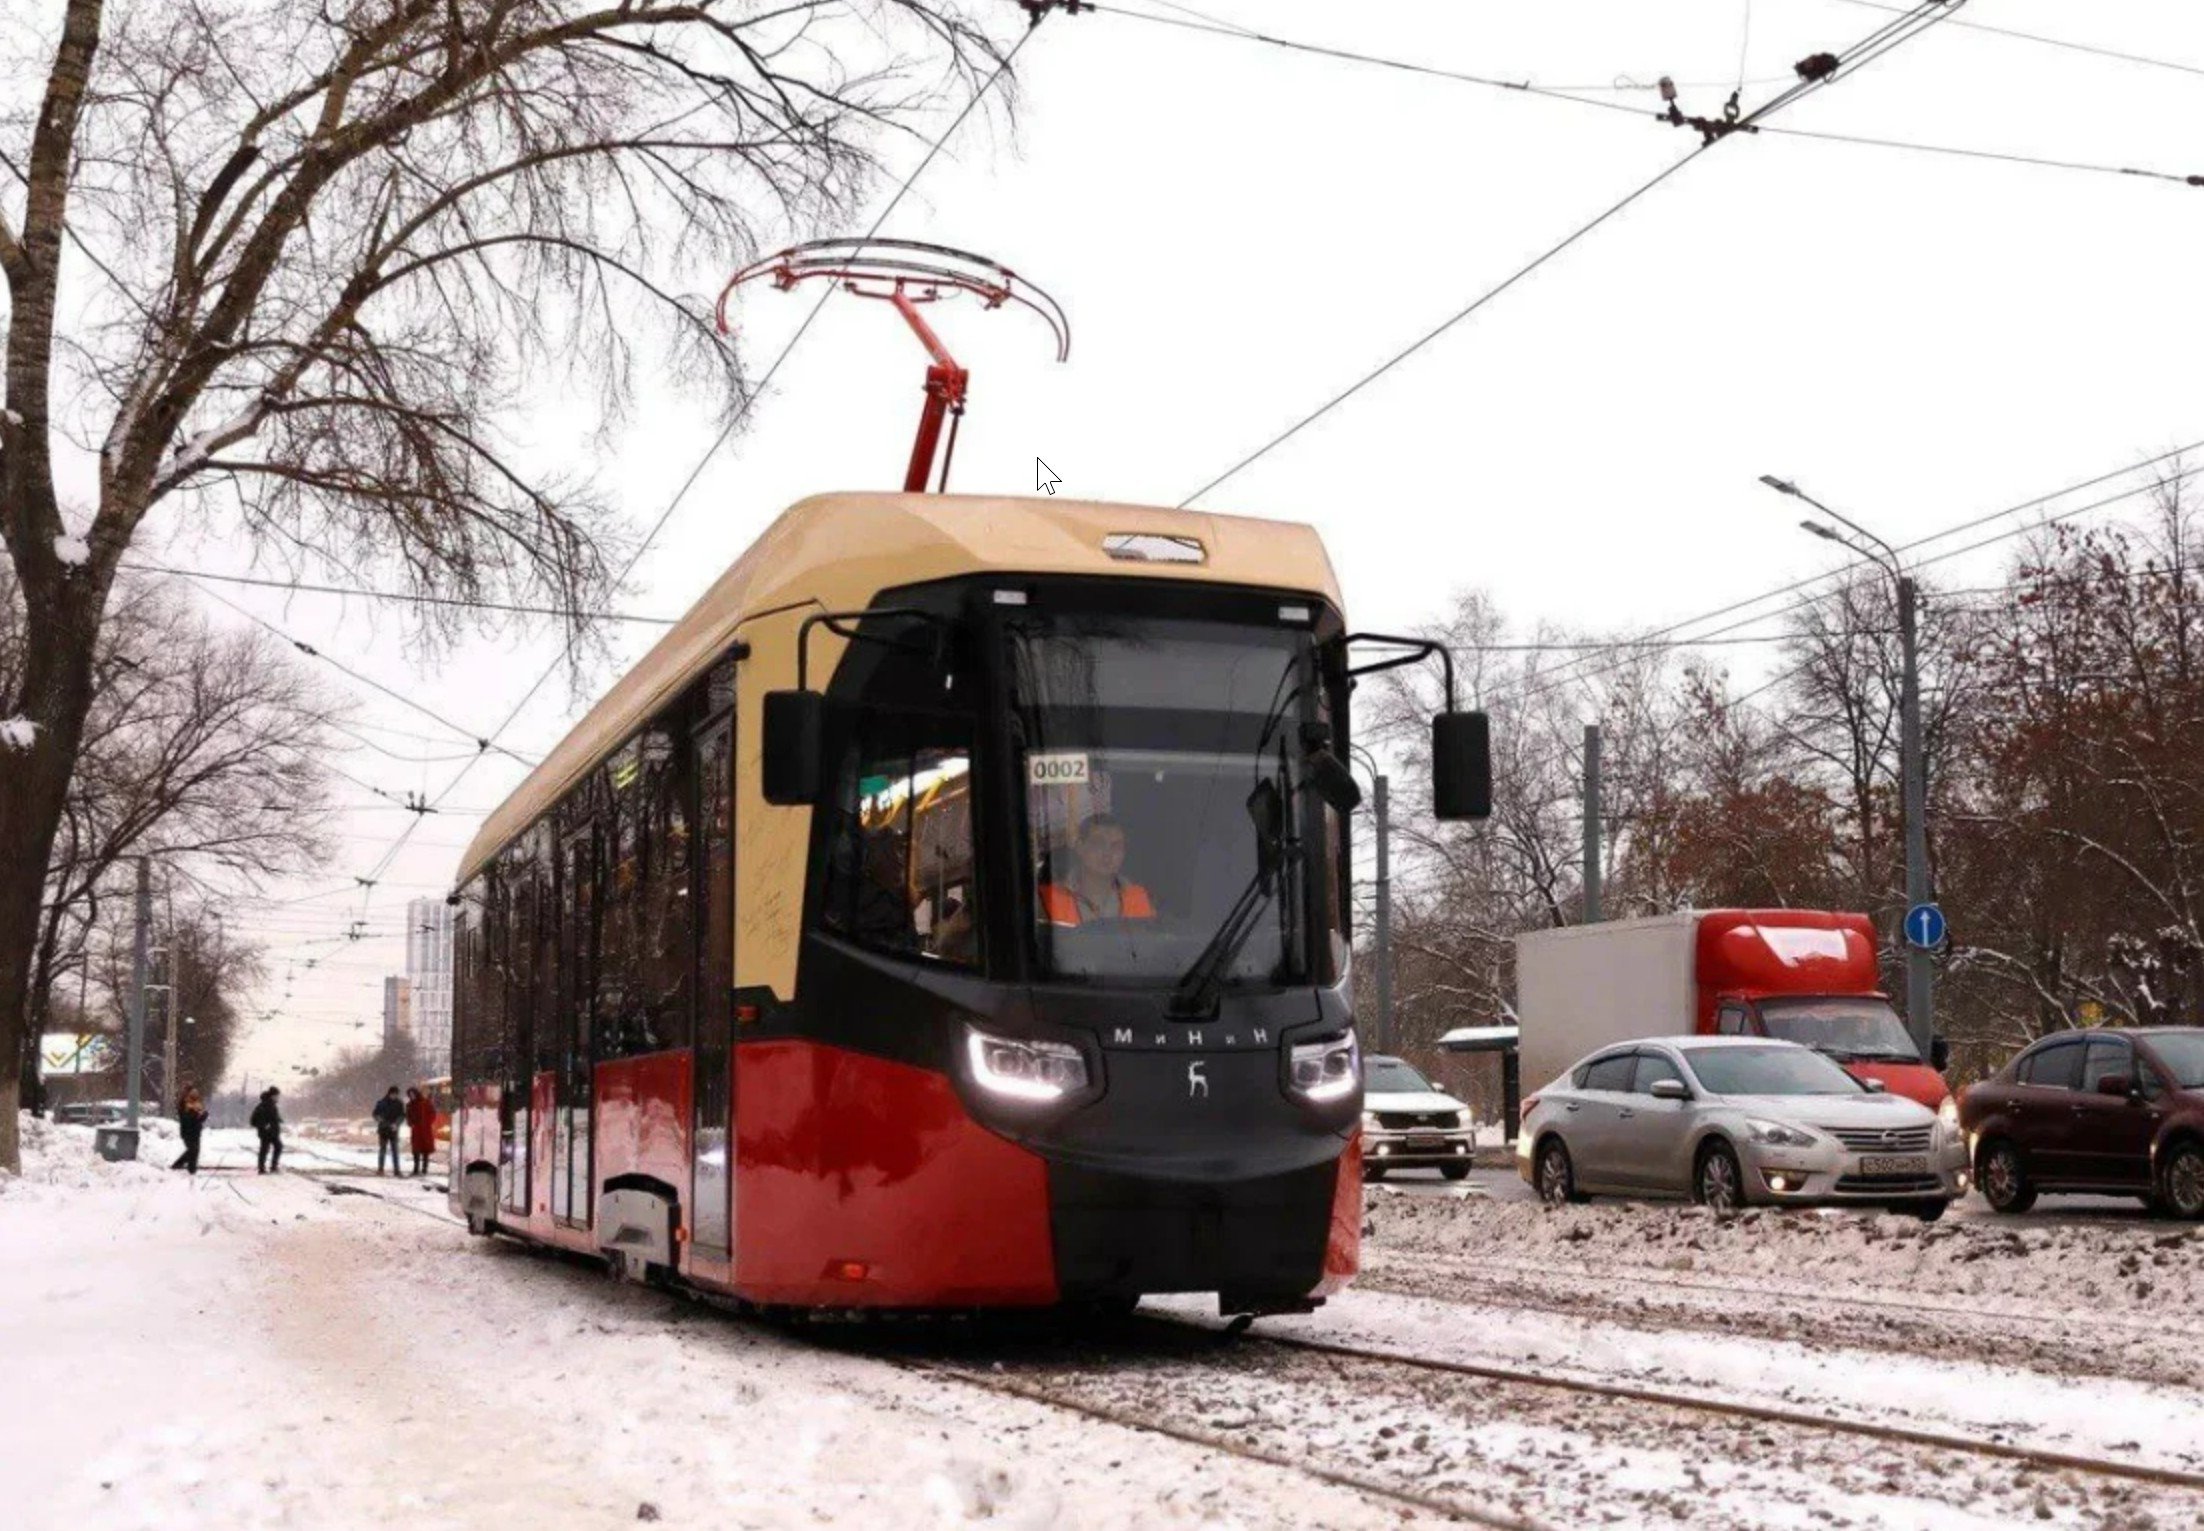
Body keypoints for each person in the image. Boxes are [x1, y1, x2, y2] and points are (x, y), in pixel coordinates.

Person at [1039, 813, 1156, 926]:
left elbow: (1151, 942)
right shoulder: (1049, 898)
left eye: (1116, 846)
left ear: (1124, 852)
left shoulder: (1140, 897)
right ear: (1080, 847)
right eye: (1098, 843)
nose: (1107, 853)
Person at [171, 1084, 207, 1175]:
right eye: (193, 1092)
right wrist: (197, 1116)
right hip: (187, 1132)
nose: (195, 1094)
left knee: (194, 1150)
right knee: (193, 1150)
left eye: (196, 1092)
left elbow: (199, 1119)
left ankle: (180, 1165)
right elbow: (187, 1119)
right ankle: (191, 1170)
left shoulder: (197, 1104)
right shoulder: (184, 1104)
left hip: (196, 1131)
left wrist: (203, 1115)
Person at [404, 1085, 437, 1177]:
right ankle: (416, 1169)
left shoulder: (425, 1102)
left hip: (425, 1130)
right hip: (416, 1130)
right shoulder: (409, 1105)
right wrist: (410, 1123)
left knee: (425, 1151)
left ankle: (424, 1169)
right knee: (416, 1150)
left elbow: (433, 1114)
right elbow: (408, 1116)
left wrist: (427, 1122)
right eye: (410, 1095)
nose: (411, 1096)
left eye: (412, 1094)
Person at [373, 1086, 406, 1176]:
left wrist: (397, 1124)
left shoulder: (399, 1103)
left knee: (395, 1151)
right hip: (383, 1130)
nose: (394, 1096)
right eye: (393, 1094)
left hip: (393, 1130)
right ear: (389, 1093)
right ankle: (380, 1169)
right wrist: (381, 1120)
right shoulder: (381, 1103)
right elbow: (375, 1114)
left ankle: (396, 1170)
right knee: (382, 1150)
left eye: (396, 1094)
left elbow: (402, 1115)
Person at [250, 1087, 284, 1173]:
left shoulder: (270, 1105)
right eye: (277, 1096)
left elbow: (272, 1117)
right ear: (272, 1096)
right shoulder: (265, 1105)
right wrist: (265, 1125)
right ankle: (264, 1168)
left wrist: (278, 1119)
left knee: (275, 1147)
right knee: (266, 1149)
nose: (278, 1098)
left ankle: (270, 1167)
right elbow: (257, 1119)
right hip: (267, 1132)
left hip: (272, 1132)